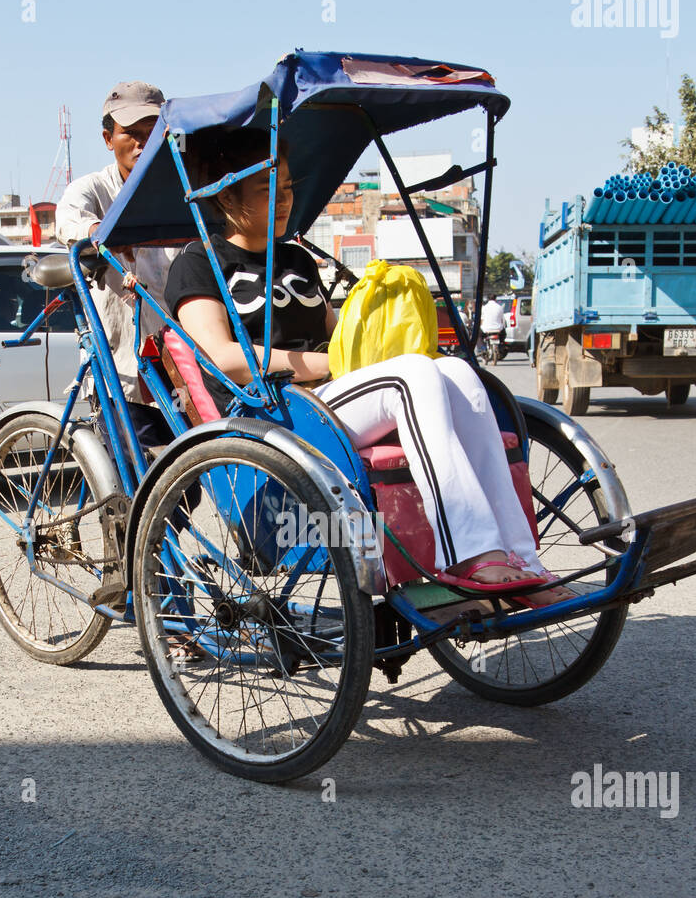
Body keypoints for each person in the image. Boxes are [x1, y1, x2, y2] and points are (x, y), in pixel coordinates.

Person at [163, 129, 571, 607]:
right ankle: (469, 553)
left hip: (329, 403)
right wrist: (333, 362)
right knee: (412, 374)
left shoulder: (296, 257)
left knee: (457, 372)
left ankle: (520, 555)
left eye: (289, 186)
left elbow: (341, 335)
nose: (284, 199)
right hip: (274, 413)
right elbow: (224, 357)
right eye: (266, 188)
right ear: (228, 196)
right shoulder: (200, 262)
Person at [56, 81, 185, 452]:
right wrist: (103, 232)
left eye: (153, 132)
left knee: (190, 477)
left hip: (176, 363)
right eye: (131, 133)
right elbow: (69, 221)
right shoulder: (92, 189)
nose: (143, 143)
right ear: (108, 139)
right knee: (144, 485)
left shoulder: (179, 194)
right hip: (122, 366)